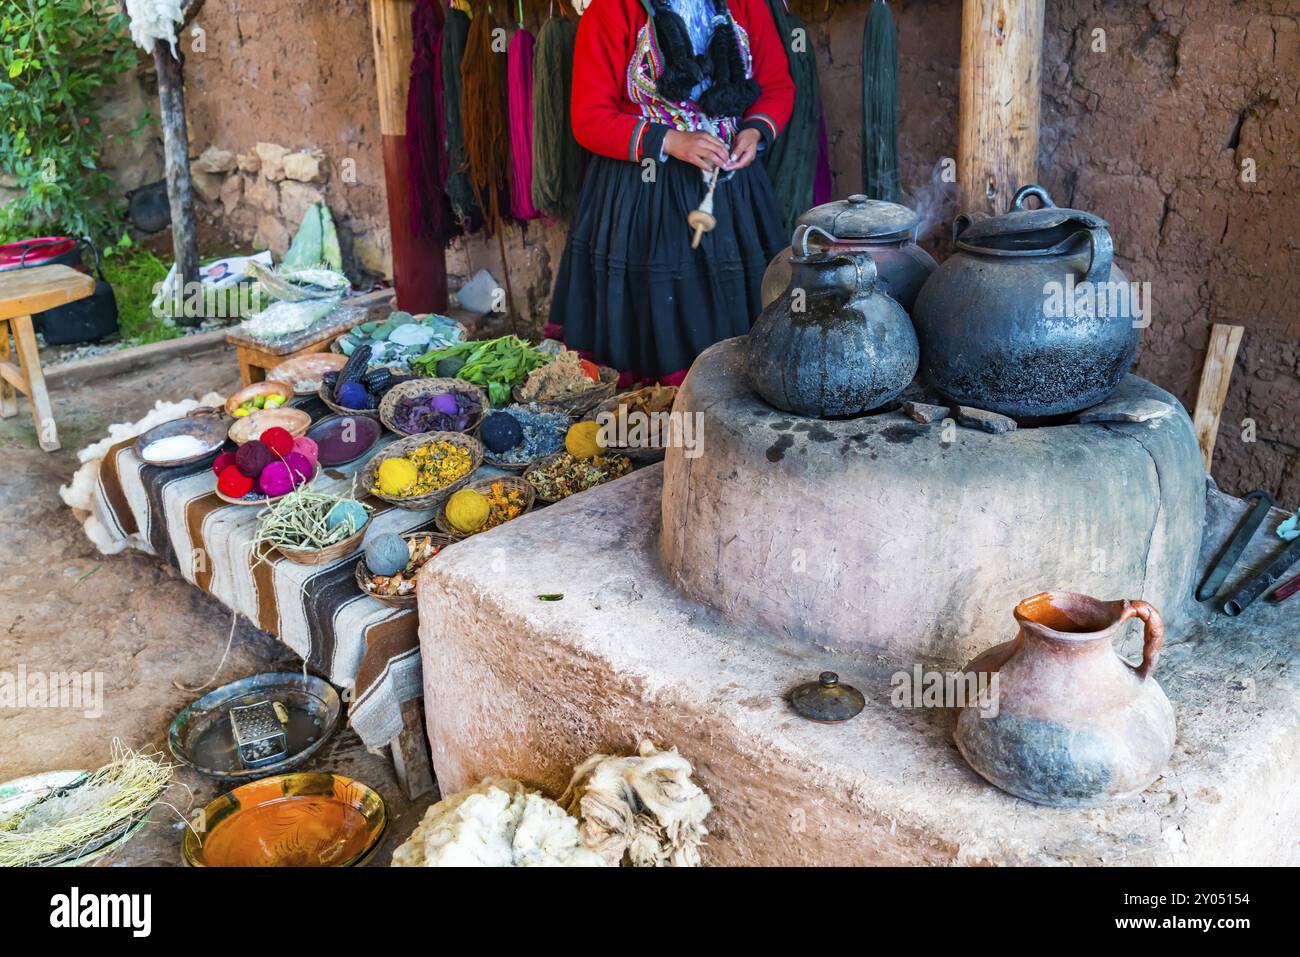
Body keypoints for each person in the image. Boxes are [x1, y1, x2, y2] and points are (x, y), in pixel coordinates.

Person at [548, 0, 794, 386]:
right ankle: (664, 410)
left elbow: (777, 84)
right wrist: (671, 140)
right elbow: (588, 116)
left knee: (745, 312)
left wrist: (755, 130)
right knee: (664, 301)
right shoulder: (613, 10)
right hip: (644, 193)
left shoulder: (747, 5)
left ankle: (737, 403)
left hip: (732, 187)